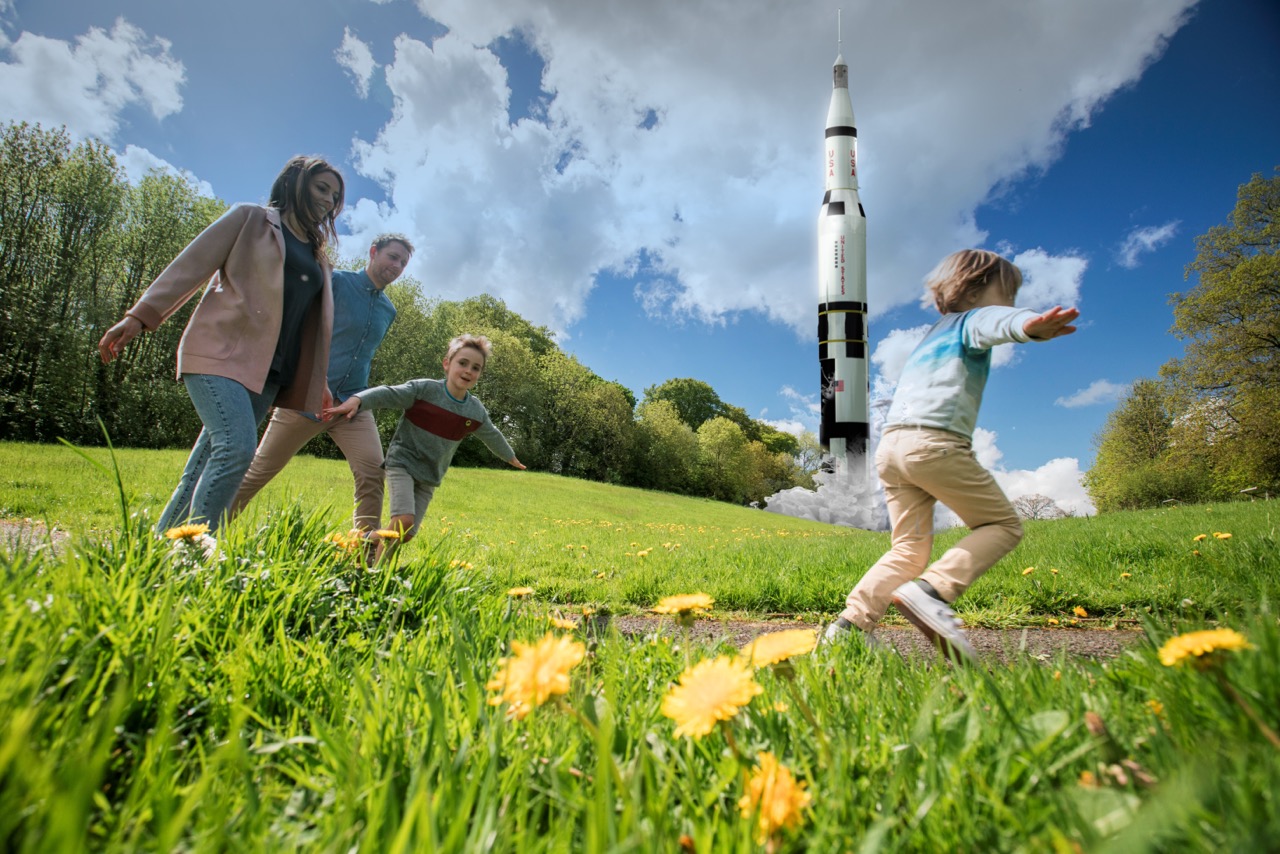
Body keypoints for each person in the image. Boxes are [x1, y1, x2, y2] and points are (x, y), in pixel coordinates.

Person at [824, 249, 1079, 661]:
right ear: (976, 290)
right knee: (1001, 524)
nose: (1010, 301)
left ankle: (849, 627)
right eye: (1007, 291)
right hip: (934, 444)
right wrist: (1029, 326)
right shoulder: (974, 320)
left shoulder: (930, 337)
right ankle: (932, 592)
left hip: (892, 449)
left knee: (907, 549)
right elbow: (1000, 321)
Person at [98, 155, 343, 535]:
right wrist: (139, 315)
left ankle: (154, 553)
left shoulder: (317, 256)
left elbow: (308, 325)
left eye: (335, 195)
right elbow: (191, 264)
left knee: (206, 461)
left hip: (270, 373)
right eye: (321, 188)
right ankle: (198, 556)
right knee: (236, 449)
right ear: (296, 183)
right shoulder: (250, 220)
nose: (328, 200)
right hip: (219, 352)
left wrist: (319, 377)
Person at [229, 233, 415, 532]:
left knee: (372, 472)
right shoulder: (336, 282)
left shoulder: (388, 310)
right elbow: (303, 330)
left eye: (403, 263)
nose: (397, 265)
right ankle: (200, 535)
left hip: (353, 404)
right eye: (393, 257)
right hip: (307, 398)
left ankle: (363, 557)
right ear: (373, 252)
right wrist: (313, 381)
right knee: (258, 472)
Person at [323, 333, 526, 557]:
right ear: (447, 364)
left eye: (476, 368)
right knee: (403, 521)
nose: (469, 370)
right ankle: (375, 575)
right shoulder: (424, 391)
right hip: (403, 463)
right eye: (463, 363)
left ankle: (363, 539)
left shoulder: (474, 411)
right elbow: (389, 394)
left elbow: (492, 434)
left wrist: (510, 456)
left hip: (429, 476)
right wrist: (359, 400)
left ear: (480, 374)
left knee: (406, 533)